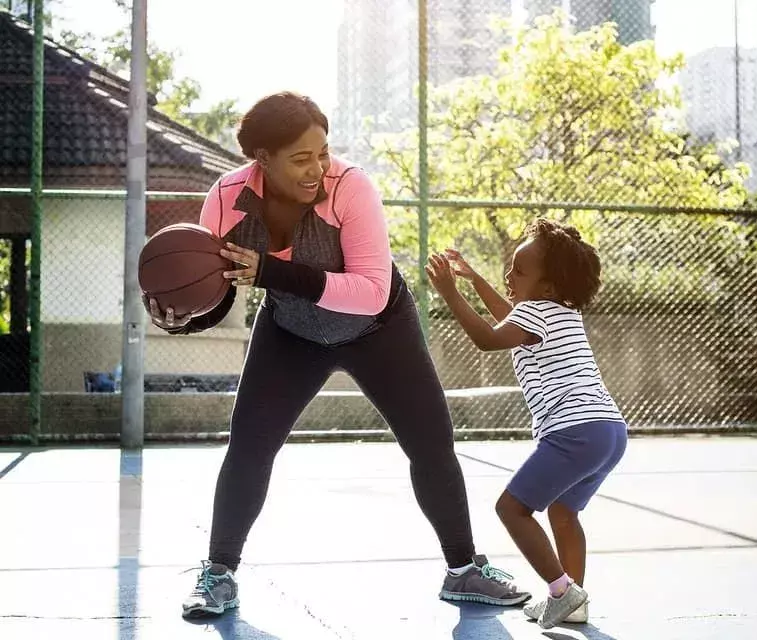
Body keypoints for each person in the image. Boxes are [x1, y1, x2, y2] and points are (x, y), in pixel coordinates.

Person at [141, 92, 530, 618]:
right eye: (301, 158)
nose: (317, 168)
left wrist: (273, 273)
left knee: (432, 443)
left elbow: (369, 290)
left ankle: (464, 571)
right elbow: (224, 290)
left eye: (322, 152)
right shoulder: (226, 199)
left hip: (380, 328)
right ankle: (218, 575)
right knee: (249, 445)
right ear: (262, 158)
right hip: (291, 332)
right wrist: (187, 316)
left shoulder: (352, 188)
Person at [425, 219, 628, 629]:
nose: (508, 276)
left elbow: (487, 336)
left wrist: (450, 292)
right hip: (609, 430)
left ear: (548, 287)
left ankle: (560, 590)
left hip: (574, 430)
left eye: (519, 271)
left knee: (512, 509)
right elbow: (506, 315)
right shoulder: (559, 312)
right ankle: (575, 601)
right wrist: (473, 276)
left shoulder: (535, 314)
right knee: (564, 512)